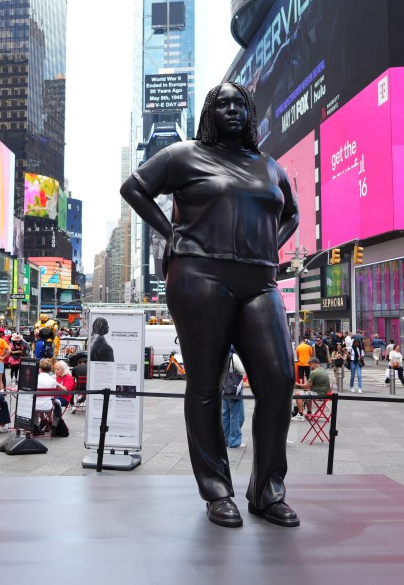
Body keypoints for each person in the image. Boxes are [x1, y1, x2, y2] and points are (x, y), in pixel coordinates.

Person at [120, 81, 300, 529]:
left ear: (251, 113)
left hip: (260, 281)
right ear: (209, 113)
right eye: (223, 104)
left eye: (241, 104)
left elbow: (291, 213)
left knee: (279, 379)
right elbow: (134, 187)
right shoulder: (184, 155)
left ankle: (266, 490)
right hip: (200, 275)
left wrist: (270, 247)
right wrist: (170, 232)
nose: (233, 110)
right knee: (205, 383)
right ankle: (217, 490)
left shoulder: (269, 166)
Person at [222, 350, 247, 447]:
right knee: (236, 415)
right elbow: (242, 370)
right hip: (233, 388)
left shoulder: (219, 355)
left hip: (223, 387)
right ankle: (234, 441)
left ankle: (225, 439)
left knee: (225, 415)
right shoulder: (233, 357)